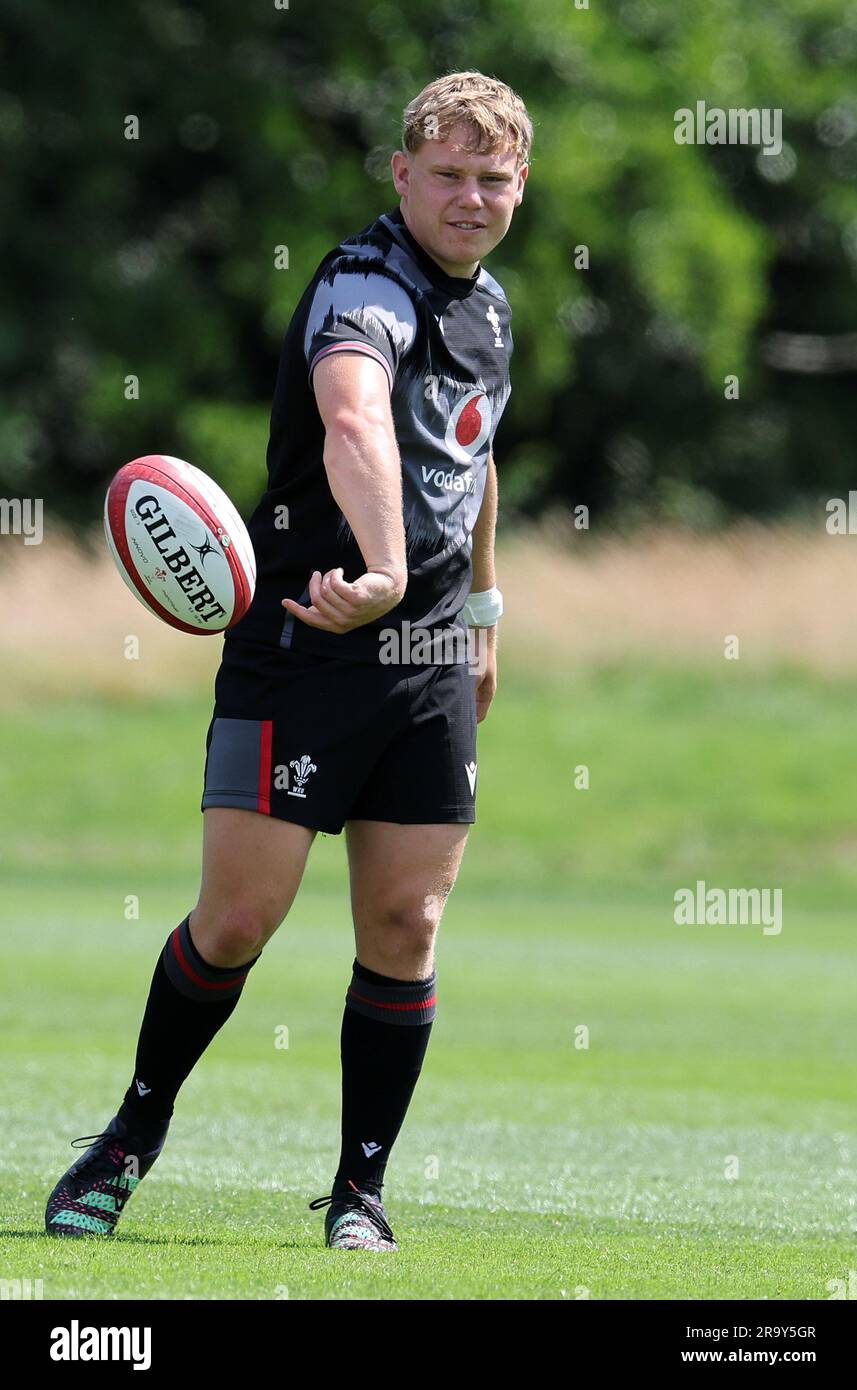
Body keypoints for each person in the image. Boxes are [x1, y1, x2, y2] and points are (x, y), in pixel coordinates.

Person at [45, 69, 531, 1252]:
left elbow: (467, 456)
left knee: (407, 923)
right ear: (401, 174)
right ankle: (127, 1139)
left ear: (518, 186)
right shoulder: (360, 284)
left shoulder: (493, 308)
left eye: (493, 178)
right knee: (238, 919)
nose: (469, 198)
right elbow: (353, 415)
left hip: (420, 661)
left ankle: (359, 1193)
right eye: (448, 174)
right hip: (305, 640)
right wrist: (373, 565)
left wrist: (477, 610)